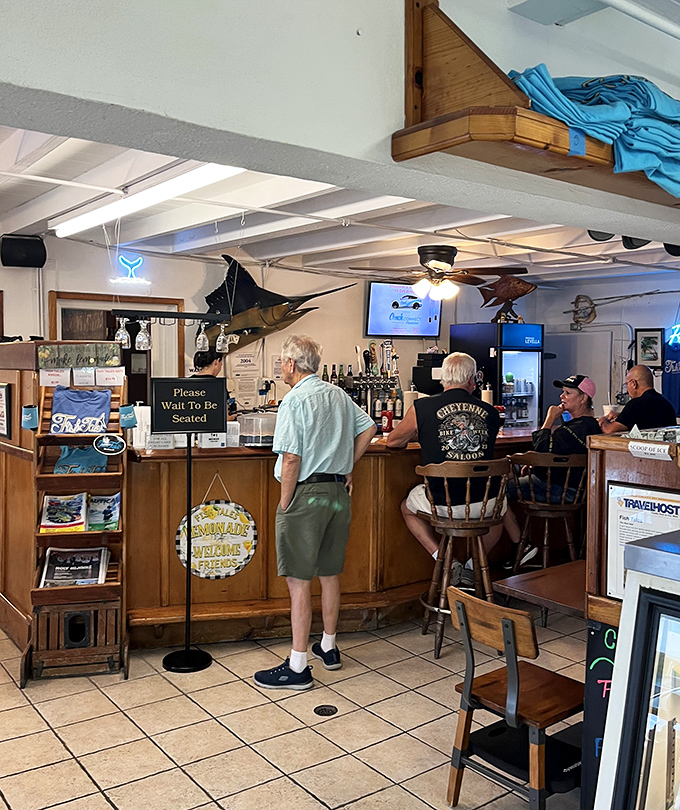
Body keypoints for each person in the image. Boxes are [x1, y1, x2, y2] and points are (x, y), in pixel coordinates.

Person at [253, 335, 376, 690]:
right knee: (329, 572)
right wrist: (347, 465)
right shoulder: (338, 394)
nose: (280, 367)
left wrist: (285, 501)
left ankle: (297, 666)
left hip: (305, 495)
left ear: (292, 364)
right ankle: (329, 646)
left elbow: (291, 458)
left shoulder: (295, 400)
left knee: (298, 581)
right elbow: (369, 427)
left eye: (282, 361)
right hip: (337, 494)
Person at [386, 352, 503, 585]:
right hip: (484, 504)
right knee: (499, 515)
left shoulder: (422, 408)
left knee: (405, 507)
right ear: (473, 380)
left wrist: (423, 434)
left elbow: (393, 442)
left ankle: (446, 561)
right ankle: (471, 568)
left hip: (442, 503)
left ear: (443, 379)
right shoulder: (491, 413)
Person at [502, 374, 601, 569]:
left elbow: (542, 448)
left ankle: (520, 546)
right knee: (509, 472)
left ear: (583, 398)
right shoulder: (589, 425)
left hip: (556, 489)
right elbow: (553, 453)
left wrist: (549, 419)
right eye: (562, 392)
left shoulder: (576, 428)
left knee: (498, 488)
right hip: (569, 488)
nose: (562, 397)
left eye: (567, 393)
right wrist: (536, 465)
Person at [598, 365, 676, 433]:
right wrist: (621, 416)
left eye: (627, 384)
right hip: (665, 449)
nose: (627, 389)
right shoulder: (667, 404)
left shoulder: (636, 404)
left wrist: (604, 420)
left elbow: (609, 430)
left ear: (633, 384)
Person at [191, 348, 236, 420]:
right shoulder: (219, 386)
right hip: (212, 429)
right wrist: (235, 417)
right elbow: (225, 418)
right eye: (221, 363)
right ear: (216, 362)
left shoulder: (187, 383)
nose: (221, 365)